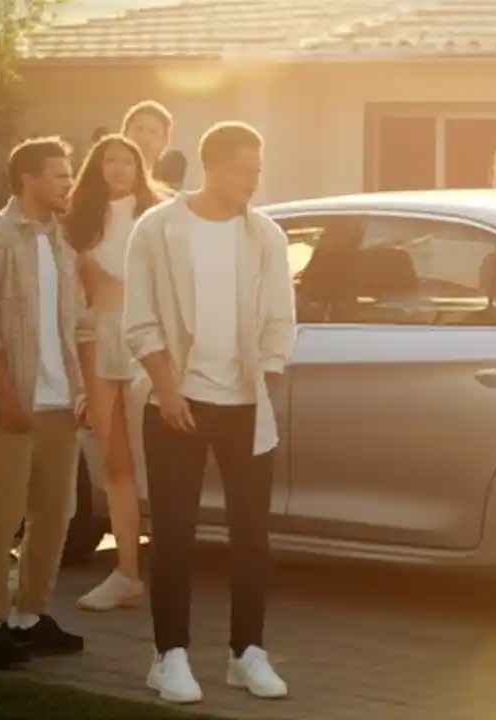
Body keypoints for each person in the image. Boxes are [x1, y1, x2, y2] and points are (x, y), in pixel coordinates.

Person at [123, 121, 295, 704]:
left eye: (258, 172)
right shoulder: (158, 229)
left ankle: (247, 653)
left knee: (252, 537)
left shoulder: (266, 236)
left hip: (247, 405)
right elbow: (139, 320)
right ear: (213, 167)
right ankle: (168, 656)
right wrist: (168, 390)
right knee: (173, 533)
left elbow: (279, 323)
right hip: (176, 404)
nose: (254, 182)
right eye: (245, 171)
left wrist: (262, 383)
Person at [0, 137, 96, 670]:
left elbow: (78, 322)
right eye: (59, 175)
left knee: (56, 515)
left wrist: (88, 391)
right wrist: (8, 398)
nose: (68, 184)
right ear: (28, 180)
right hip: (6, 405)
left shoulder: (61, 246)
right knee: (0, 518)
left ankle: (30, 616)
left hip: (60, 405)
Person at [63, 134, 165, 611]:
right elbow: (78, 297)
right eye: (109, 160)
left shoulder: (159, 216)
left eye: (127, 160)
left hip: (150, 343)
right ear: (97, 168)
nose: (118, 168)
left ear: (139, 166)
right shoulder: (80, 223)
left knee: (158, 458)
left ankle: (167, 566)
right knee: (115, 462)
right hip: (100, 342)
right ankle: (126, 572)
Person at [121, 100, 173, 179]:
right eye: (139, 129)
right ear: (124, 134)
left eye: (153, 132)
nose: (144, 137)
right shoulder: (100, 186)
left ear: (164, 143)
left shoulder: (160, 191)